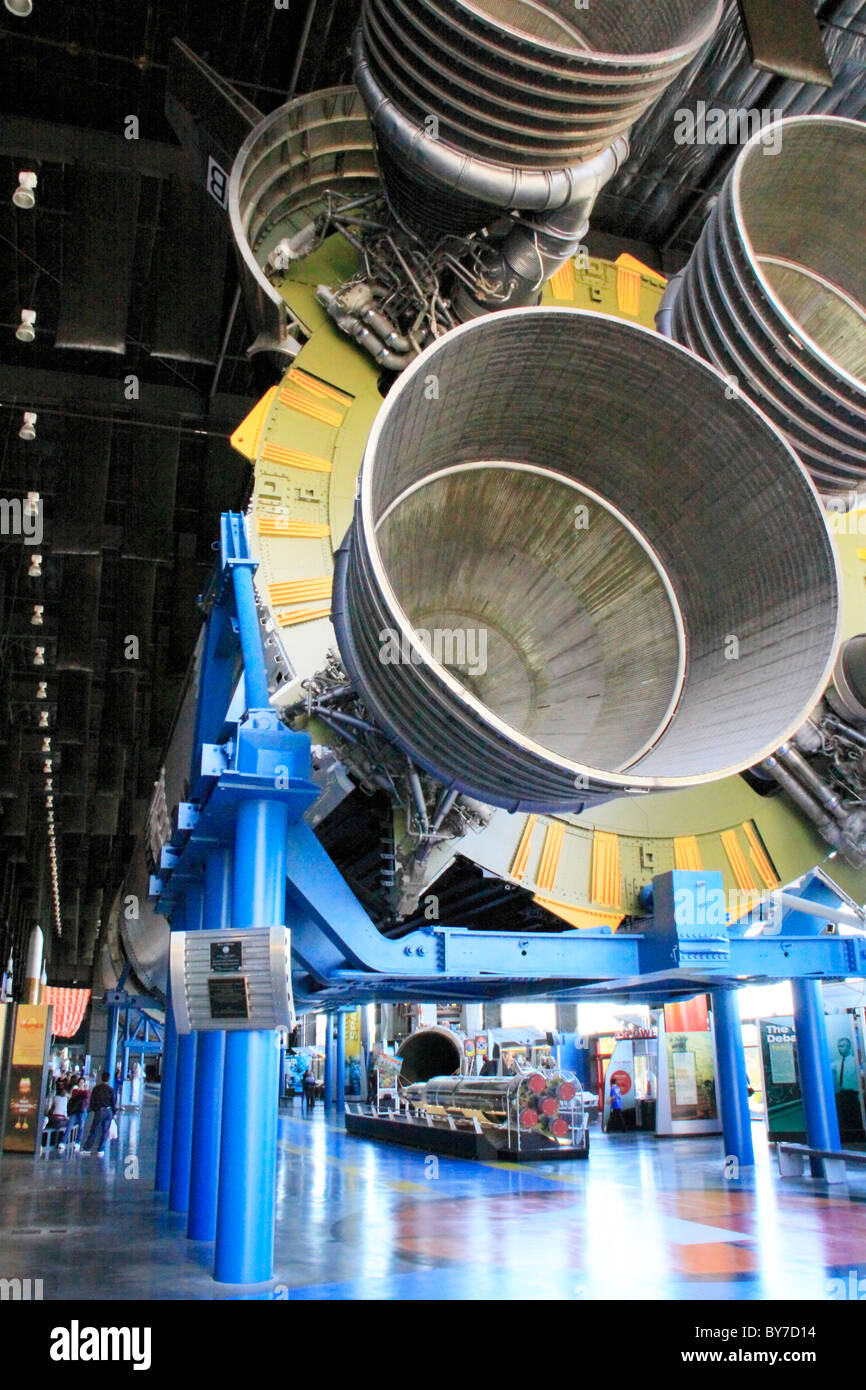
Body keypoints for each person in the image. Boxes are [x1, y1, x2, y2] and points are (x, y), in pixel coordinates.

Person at [81, 1071, 116, 1156]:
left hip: (99, 1111)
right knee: (105, 1131)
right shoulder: (111, 1090)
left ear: (101, 1078)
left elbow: (92, 1100)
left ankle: (87, 1148)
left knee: (94, 1130)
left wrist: (93, 1109)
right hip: (108, 1111)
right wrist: (114, 1112)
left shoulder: (97, 1088)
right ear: (108, 1079)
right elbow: (113, 1102)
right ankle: (101, 1149)